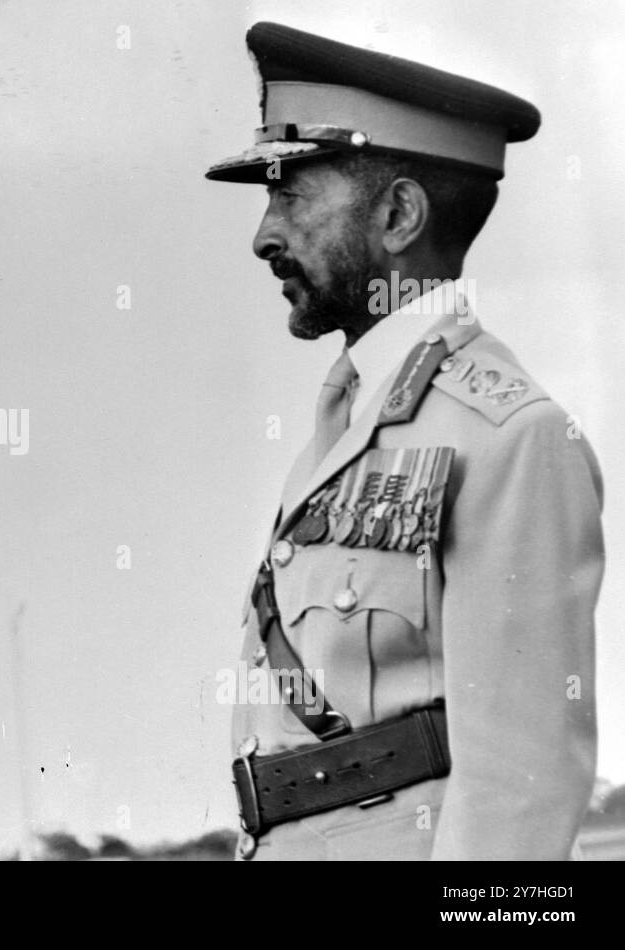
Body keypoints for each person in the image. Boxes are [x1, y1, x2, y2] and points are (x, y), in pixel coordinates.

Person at [206, 23, 603, 860]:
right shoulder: (346, 421)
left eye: (291, 194)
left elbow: (520, 789)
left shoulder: (511, 438)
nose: (264, 235)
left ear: (397, 215)